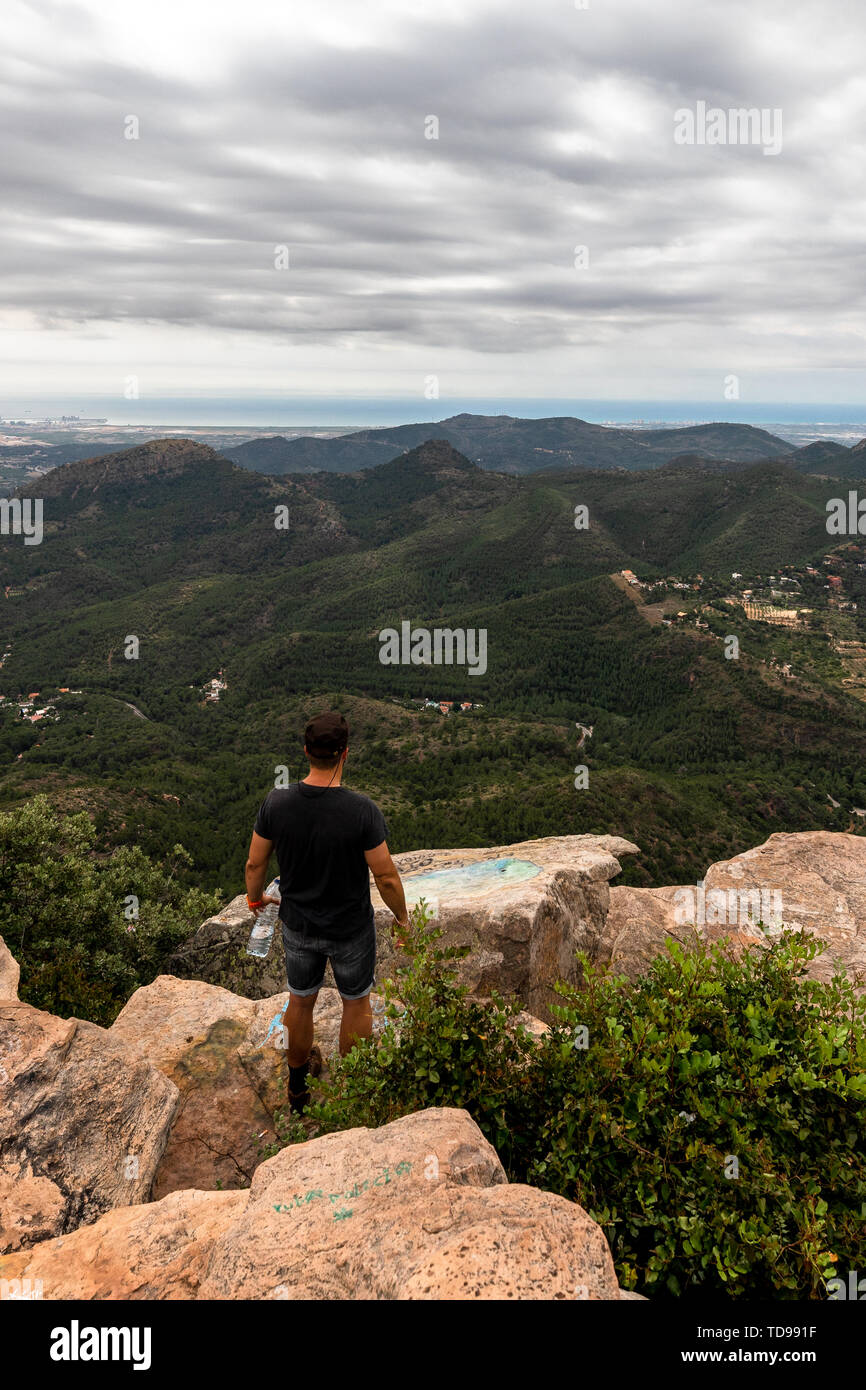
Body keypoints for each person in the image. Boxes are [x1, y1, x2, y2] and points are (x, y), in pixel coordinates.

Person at [245, 710, 409, 1113]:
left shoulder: (277, 802)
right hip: (351, 928)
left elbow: (255, 864)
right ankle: (353, 1090)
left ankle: (297, 1089)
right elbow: (385, 876)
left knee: (300, 1001)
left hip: (298, 926)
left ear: (306, 752)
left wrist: (254, 900)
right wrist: (403, 919)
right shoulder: (361, 811)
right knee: (356, 1003)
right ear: (345, 754)